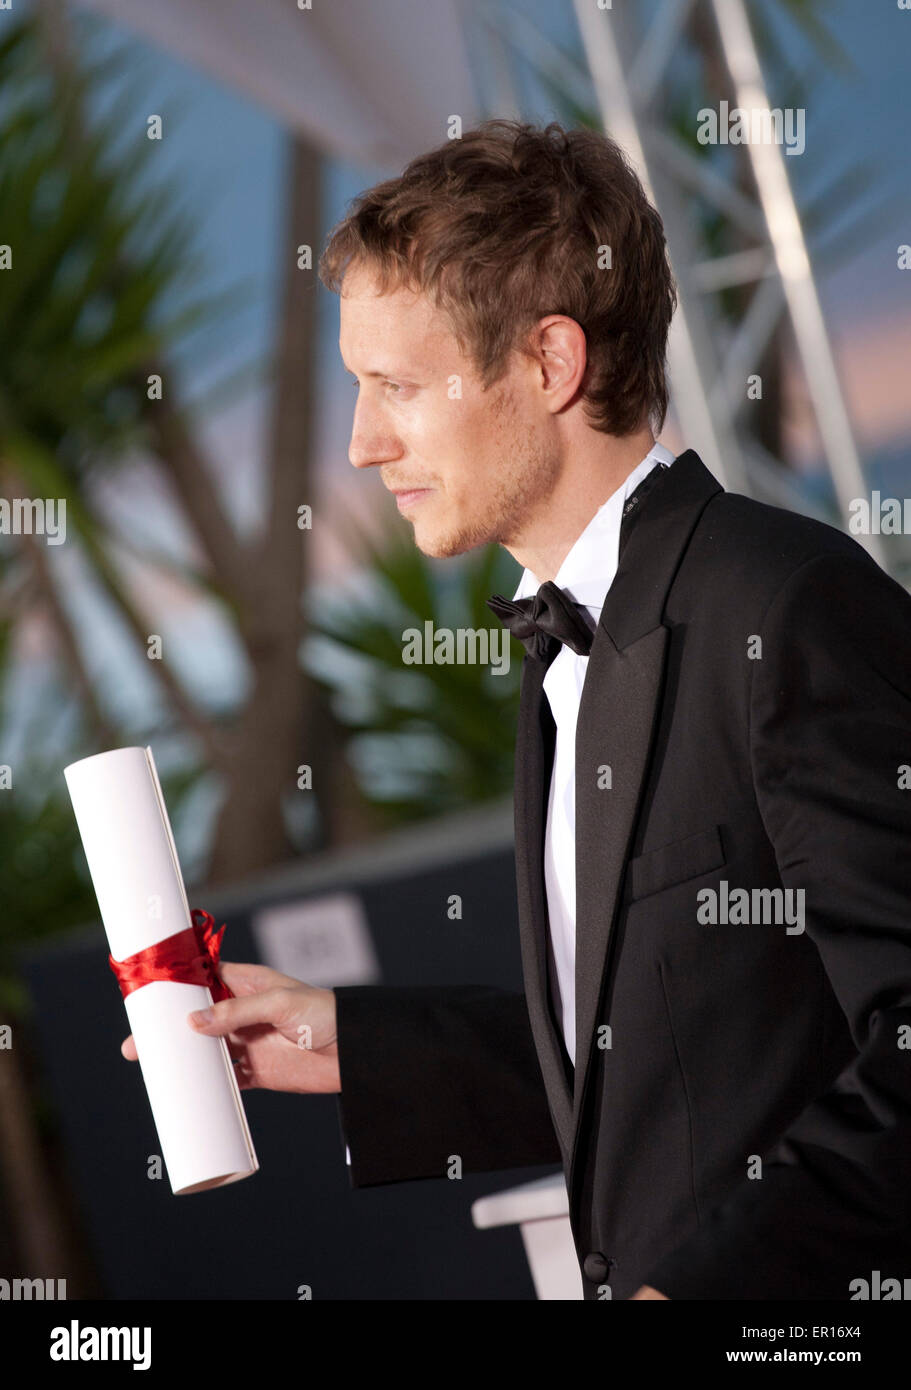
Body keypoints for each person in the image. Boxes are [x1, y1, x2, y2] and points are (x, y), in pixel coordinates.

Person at [122, 120, 911, 1301]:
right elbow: (669, 1054)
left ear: (547, 364)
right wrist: (353, 1040)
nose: (361, 442)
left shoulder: (781, 604)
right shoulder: (566, 644)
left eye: (395, 387)